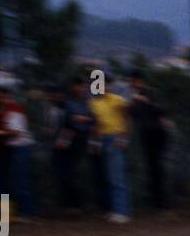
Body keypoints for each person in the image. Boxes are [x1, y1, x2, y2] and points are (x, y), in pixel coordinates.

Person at [90, 80, 133, 223]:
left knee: (117, 176)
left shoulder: (116, 99)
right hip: (104, 139)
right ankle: (116, 209)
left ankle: (122, 212)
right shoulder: (94, 103)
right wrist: (96, 142)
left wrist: (124, 137)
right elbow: (96, 124)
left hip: (116, 138)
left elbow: (127, 117)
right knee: (110, 176)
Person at [129, 72, 170, 209]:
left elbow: (162, 109)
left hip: (157, 133)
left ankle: (161, 201)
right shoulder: (134, 98)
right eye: (132, 81)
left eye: (134, 81)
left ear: (141, 81)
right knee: (150, 166)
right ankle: (154, 201)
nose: (133, 84)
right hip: (145, 134)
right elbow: (134, 115)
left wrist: (147, 101)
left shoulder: (152, 93)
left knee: (157, 166)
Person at [54, 80, 93, 212]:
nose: (79, 89)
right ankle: (69, 204)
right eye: (77, 86)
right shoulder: (68, 102)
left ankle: (80, 204)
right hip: (67, 138)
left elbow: (93, 120)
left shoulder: (87, 103)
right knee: (66, 172)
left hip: (80, 139)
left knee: (77, 172)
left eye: (81, 86)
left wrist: (82, 119)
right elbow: (66, 122)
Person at [2, 91, 36, 219]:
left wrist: (1, 131)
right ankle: (24, 210)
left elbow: (16, 132)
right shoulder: (11, 111)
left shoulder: (14, 110)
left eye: (5, 97)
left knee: (21, 180)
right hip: (17, 148)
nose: (3, 100)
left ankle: (27, 211)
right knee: (18, 180)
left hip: (20, 147)